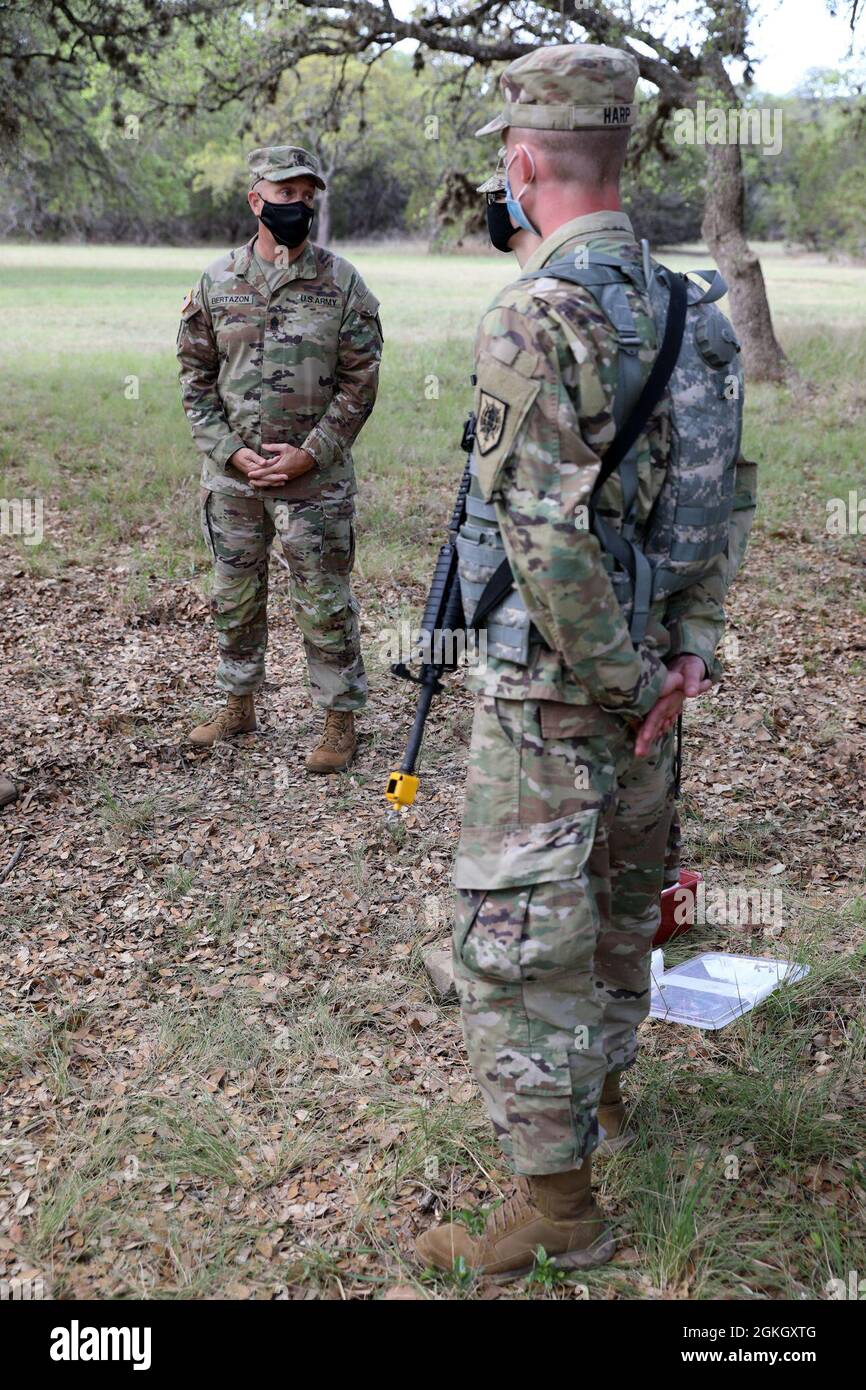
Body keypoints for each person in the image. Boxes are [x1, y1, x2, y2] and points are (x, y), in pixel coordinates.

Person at [415, 43, 754, 1279]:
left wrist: (621, 682)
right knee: (620, 911)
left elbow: (542, 538)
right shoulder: (689, 308)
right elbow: (720, 505)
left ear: (521, 167)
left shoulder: (530, 315)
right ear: (619, 159)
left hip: (559, 701)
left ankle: (557, 1209)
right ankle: (603, 1098)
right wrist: (683, 662)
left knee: (517, 945)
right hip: (654, 697)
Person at [177, 145, 382, 772]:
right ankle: (237, 703)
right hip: (233, 480)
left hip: (313, 484)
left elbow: (360, 382)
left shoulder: (342, 282)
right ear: (256, 200)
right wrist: (234, 454)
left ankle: (339, 719)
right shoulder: (216, 282)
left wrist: (309, 455)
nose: (298, 204)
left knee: (323, 598)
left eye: (306, 194)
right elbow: (194, 379)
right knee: (233, 594)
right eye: (285, 193)